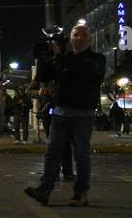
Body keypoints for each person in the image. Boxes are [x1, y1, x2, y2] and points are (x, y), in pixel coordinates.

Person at [25, 24, 106, 207]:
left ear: (89, 39)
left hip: (83, 114)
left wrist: (59, 56)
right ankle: (44, 190)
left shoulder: (96, 59)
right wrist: (43, 58)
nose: (79, 38)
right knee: (52, 152)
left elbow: (87, 72)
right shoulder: (64, 59)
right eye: (76, 34)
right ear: (71, 38)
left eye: (83, 34)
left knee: (81, 154)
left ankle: (81, 193)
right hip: (61, 112)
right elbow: (43, 77)